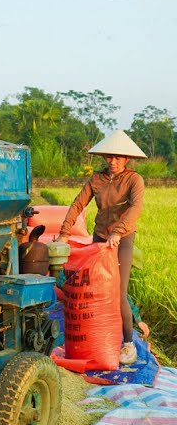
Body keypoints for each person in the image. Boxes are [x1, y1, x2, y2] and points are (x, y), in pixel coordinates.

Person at [56, 129, 147, 365]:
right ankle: (97, 337)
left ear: (126, 158)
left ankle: (128, 344)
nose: (113, 161)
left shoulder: (134, 180)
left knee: (118, 291)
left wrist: (117, 232)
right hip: (99, 239)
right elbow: (78, 204)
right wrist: (64, 233)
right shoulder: (96, 179)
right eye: (109, 157)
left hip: (122, 239)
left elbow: (135, 208)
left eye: (118, 157)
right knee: (94, 290)